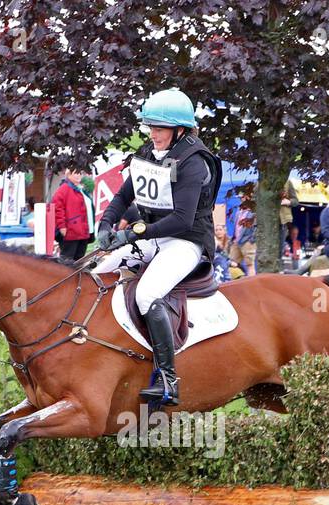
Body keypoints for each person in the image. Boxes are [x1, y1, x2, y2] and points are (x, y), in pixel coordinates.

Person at [92, 87, 223, 408]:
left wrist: (135, 233)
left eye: (160, 128)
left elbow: (181, 219)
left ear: (180, 130)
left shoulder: (194, 163)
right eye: (150, 127)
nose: (153, 134)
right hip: (153, 236)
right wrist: (106, 226)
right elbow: (123, 197)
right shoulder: (149, 155)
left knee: (147, 294)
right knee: (98, 271)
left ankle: (167, 378)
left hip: (188, 241)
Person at [49, 167, 94, 261]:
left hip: (82, 232)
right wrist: (62, 227)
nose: (78, 175)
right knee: (67, 261)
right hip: (71, 232)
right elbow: (57, 209)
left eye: (80, 173)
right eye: (75, 173)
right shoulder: (64, 189)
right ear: (68, 175)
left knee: (79, 261)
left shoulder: (81, 189)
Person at [228, 207, 257, 276]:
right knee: (232, 263)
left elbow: (257, 227)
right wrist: (233, 238)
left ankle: (251, 284)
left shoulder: (254, 212)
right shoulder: (239, 211)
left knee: (250, 264)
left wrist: (251, 240)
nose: (242, 199)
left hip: (247, 241)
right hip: (236, 241)